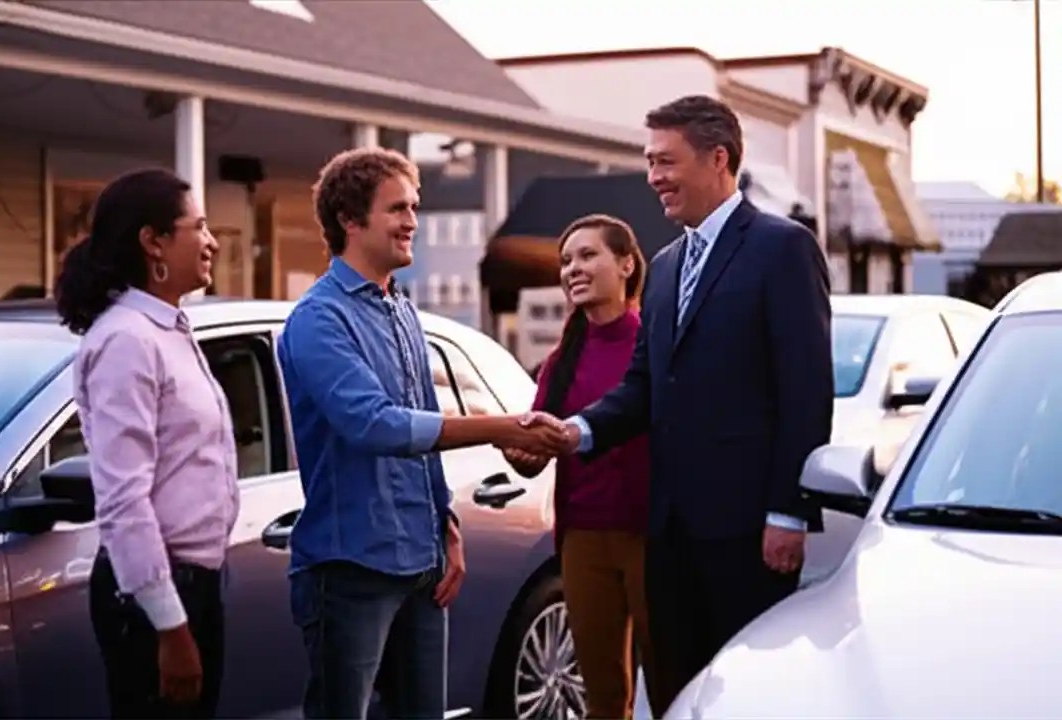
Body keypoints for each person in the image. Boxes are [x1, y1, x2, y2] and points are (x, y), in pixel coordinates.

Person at [526, 95, 834, 715]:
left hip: (747, 534)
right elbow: (644, 386)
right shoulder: (665, 268)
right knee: (679, 695)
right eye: (649, 161)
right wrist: (578, 431)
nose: (653, 177)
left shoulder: (782, 248)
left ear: (718, 159)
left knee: (747, 697)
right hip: (667, 536)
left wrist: (789, 515)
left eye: (665, 161)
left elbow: (804, 391)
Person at [277, 147, 571, 720]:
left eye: (414, 206)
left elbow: (421, 422)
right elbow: (375, 424)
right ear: (349, 219)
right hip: (351, 565)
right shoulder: (318, 319)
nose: (412, 220)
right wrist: (501, 427)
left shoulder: (402, 311)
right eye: (398, 209)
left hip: (421, 558)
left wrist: (446, 524)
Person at [56, 168, 238, 719]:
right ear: (153, 241)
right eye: (198, 227)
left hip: (195, 583)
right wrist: (171, 626)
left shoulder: (167, 328)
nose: (211, 242)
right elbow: (122, 499)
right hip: (154, 597)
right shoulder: (127, 340)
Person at [502, 214, 666, 719]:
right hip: (582, 538)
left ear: (627, 265)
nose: (573, 268)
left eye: (588, 255)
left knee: (670, 685)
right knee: (602, 696)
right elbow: (537, 449)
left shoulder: (656, 344)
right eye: (566, 260)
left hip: (653, 537)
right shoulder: (561, 359)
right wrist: (520, 454)